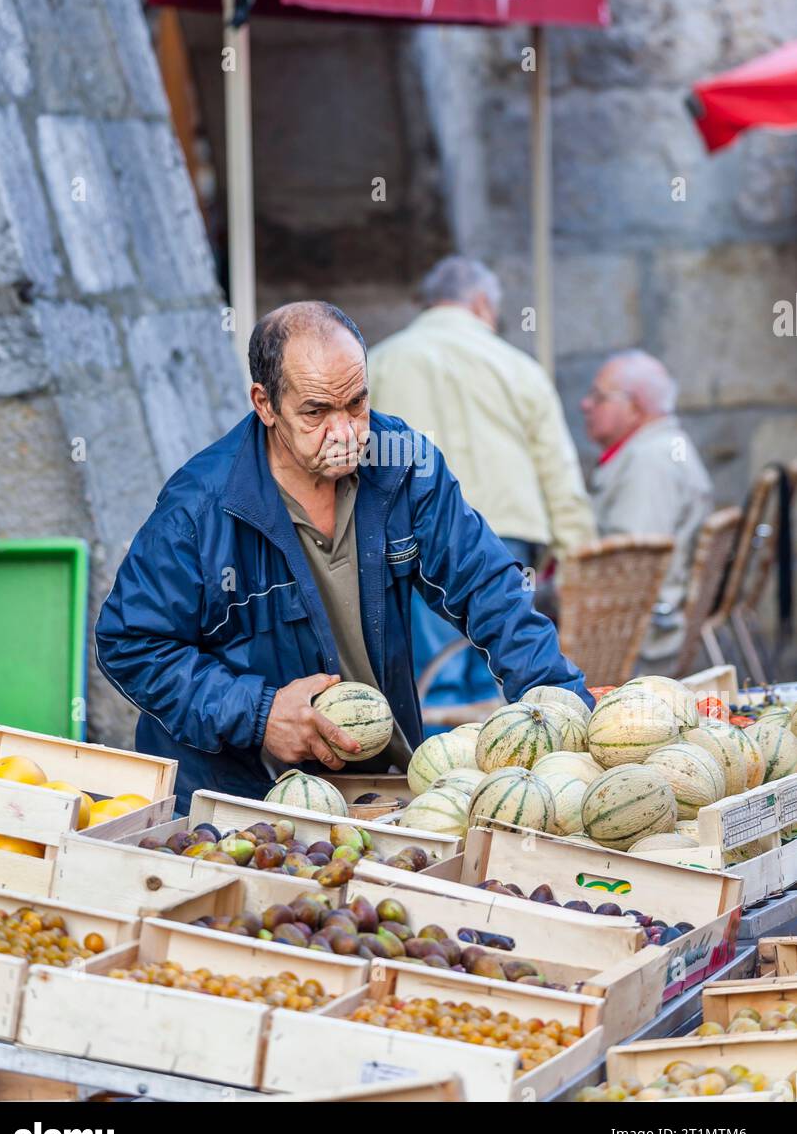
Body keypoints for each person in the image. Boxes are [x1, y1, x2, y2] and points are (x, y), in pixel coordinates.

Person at [96, 302, 592, 813]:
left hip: (367, 786)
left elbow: (489, 589)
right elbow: (129, 643)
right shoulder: (199, 509)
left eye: (356, 404)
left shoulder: (404, 466)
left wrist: (564, 709)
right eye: (316, 412)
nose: (345, 432)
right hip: (226, 795)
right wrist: (259, 714)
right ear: (265, 405)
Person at [369, 256, 596, 701]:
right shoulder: (519, 368)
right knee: (508, 671)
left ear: (430, 302)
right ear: (480, 304)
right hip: (508, 537)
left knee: (438, 680)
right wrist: (576, 554)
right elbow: (559, 472)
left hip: (415, 540)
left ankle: (445, 767)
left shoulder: (379, 363)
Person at [581, 350, 714, 664]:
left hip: (637, 644)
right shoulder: (662, 447)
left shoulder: (650, 462)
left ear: (634, 406)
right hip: (649, 628)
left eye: (598, 396)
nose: (585, 404)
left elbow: (629, 569)